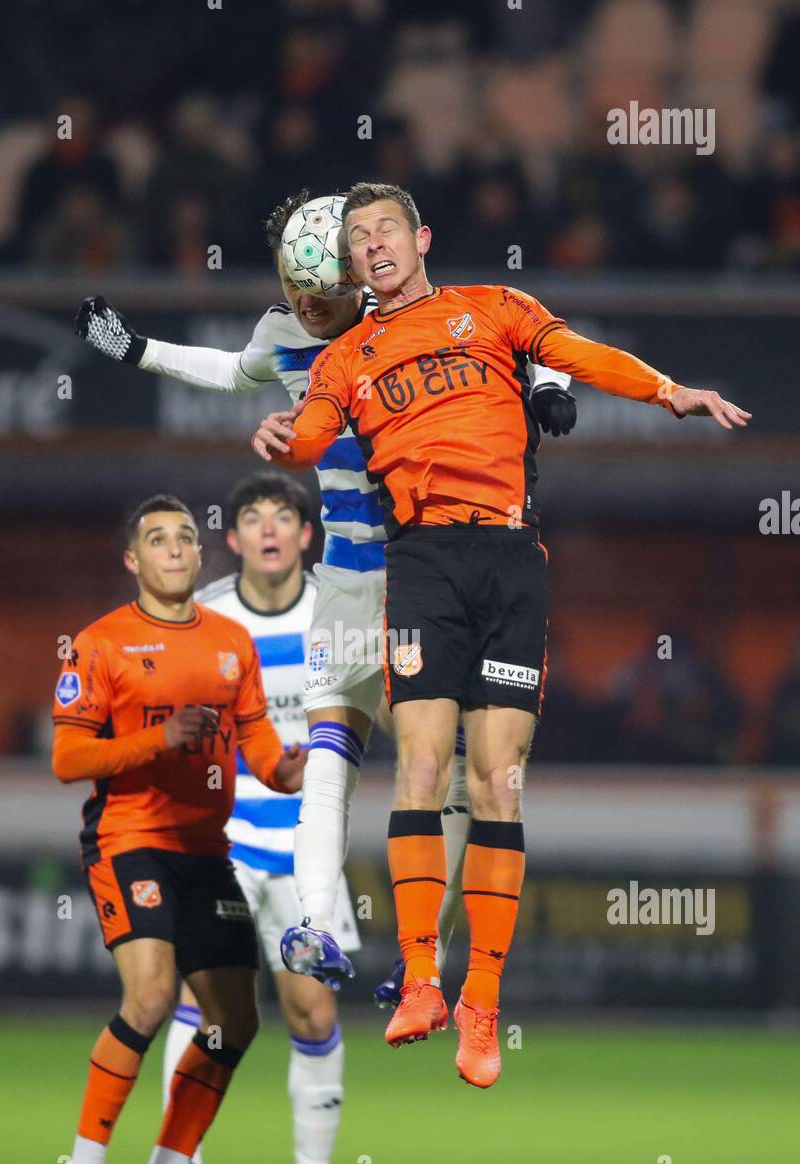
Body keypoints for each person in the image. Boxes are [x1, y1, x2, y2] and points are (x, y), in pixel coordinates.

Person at [251, 179, 751, 1089]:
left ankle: (481, 1001)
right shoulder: (344, 357)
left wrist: (668, 392)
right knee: (418, 766)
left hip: (510, 561)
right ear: (352, 261)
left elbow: (581, 354)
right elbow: (312, 434)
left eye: (386, 230)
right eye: (359, 237)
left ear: (420, 237)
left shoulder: (494, 309)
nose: (374, 246)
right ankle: (417, 979)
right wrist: (281, 439)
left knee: (496, 783)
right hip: (424, 564)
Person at [73, 189, 578, 1004]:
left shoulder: (408, 318)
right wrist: (132, 348)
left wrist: (550, 385)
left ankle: (424, 961)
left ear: (357, 280)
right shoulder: (282, 333)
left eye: (326, 298)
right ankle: (315, 922)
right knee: (331, 752)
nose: (310, 311)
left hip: (435, 566)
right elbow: (234, 371)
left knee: (448, 774)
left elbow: (527, 332)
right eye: (297, 295)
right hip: (348, 577)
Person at [52, 495, 305, 1164]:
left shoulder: (231, 641)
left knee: (236, 1020)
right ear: (132, 560)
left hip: (205, 850)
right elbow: (69, 758)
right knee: (153, 994)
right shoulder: (99, 645)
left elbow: (255, 736)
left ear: (200, 556)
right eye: (156, 540)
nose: (174, 549)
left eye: (185, 538)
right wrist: (159, 739)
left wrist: (283, 768)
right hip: (130, 839)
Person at [162, 471, 366, 1164]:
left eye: (284, 516)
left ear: (307, 535)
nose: (270, 528)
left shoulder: (336, 615)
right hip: (223, 841)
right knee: (202, 1002)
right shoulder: (207, 616)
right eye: (254, 517)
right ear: (235, 537)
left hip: (306, 847)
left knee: (310, 1014)